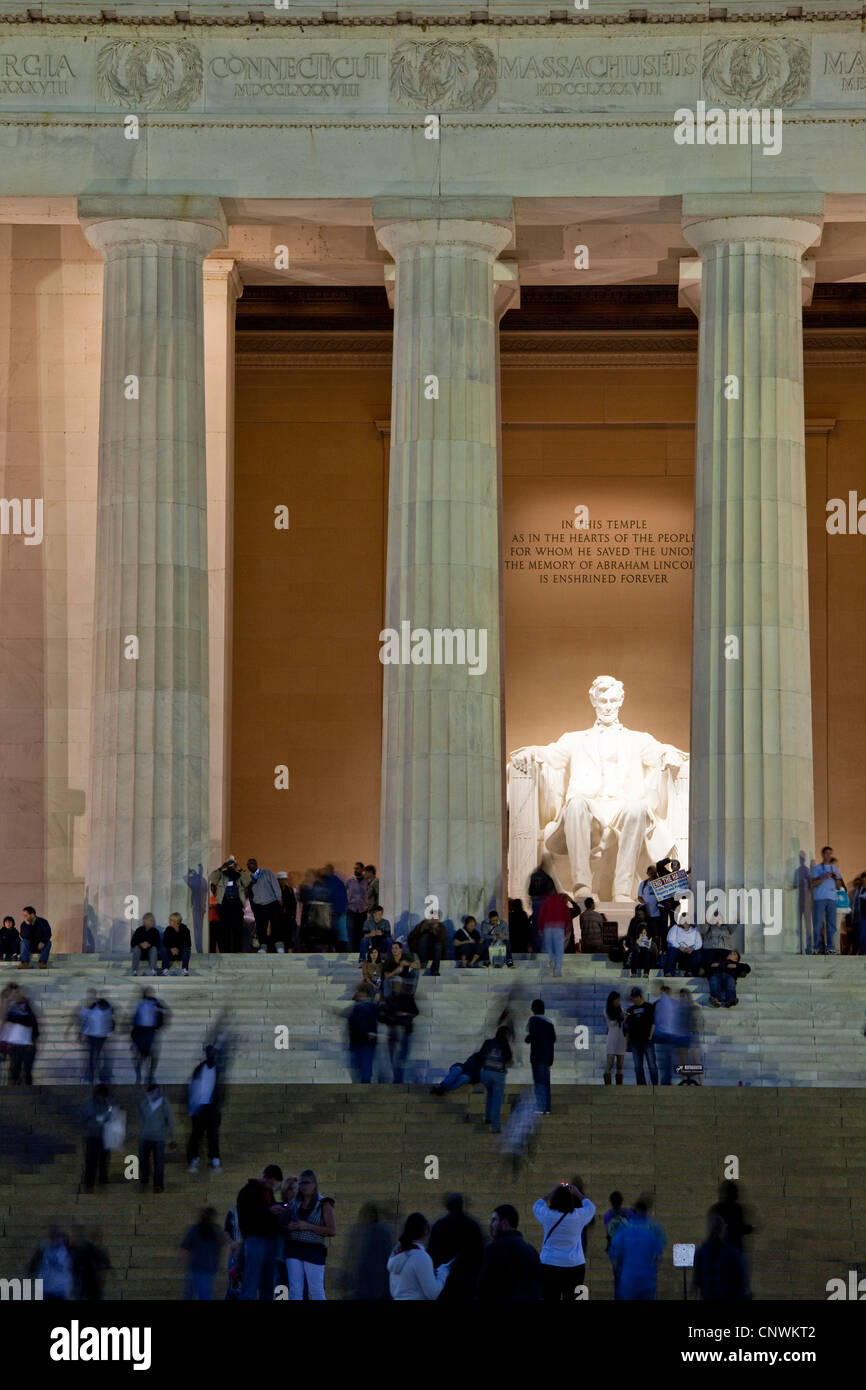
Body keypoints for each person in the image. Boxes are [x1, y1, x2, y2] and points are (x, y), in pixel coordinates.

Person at [508, 676, 687, 902]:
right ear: (594, 701)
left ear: (621, 701)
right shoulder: (573, 739)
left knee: (638, 808)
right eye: (604, 701)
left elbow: (657, 751)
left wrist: (668, 754)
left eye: (613, 700)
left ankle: (622, 890)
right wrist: (530, 753)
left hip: (623, 805)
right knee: (575, 804)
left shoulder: (638, 739)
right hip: (590, 807)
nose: (609, 706)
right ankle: (582, 886)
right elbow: (551, 754)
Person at [532, 1181, 595, 1299]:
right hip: (575, 1265)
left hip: (549, 1265)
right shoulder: (578, 1216)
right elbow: (591, 1207)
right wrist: (577, 1193)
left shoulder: (547, 1215)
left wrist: (551, 1192)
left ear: (554, 1199)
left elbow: (536, 1205)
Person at [282, 1169, 336, 1300]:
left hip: (314, 1250)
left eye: (306, 1183)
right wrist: (290, 1227)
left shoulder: (324, 1203)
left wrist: (308, 1226)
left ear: (314, 1184)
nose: (303, 1186)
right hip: (294, 1248)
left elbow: (332, 1230)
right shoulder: (295, 1203)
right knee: (295, 1290)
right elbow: (285, 1224)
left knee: (316, 1290)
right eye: (301, 1183)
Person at [476, 1204, 542, 1301]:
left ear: (504, 1223)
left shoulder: (494, 1249)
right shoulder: (531, 1250)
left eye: (494, 1220)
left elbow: (484, 1285)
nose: (491, 1224)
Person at [237, 1163, 283, 1300]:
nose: (274, 1186)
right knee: (252, 1281)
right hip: (255, 1240)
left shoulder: (267, 1193)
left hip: (269, 1241)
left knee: (267, 1282)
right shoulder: (248, 1191)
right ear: (268, 1178)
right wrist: (269, 1211)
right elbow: (247, 1215)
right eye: (274, 1182)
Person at [427, 1193, 484, 1300]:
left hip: (445, 1283)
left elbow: (431, 1254)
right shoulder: (472, 1225)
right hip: (468, 1282)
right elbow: (480, 1255)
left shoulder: (439, 1225)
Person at [609, 1198, 666, 1301]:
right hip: (648, 1280)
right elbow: (659, 1256)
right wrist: (654, 1270)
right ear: (646, 1212)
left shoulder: (624, 1227)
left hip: (628, 1279)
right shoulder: (654, 1228)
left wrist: (617, 1271)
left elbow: (614, 1254)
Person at [387, 1212, 452, 1300]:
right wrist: (443, 1273)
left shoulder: (397, 1252)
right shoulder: (420, 1257)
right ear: (425, 1231)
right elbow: (432, 1293)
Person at [693, 1213, 750, 1301]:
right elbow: (741, 1277)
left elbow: (698, 1278)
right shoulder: (732, 1252)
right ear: (722, 1230)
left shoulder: (701, 1251)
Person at [343, 1202, 393, 1301]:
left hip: (368, 1286)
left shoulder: (362, 1231)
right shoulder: (381, 1231)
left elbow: (351, 1257)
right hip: (373, 1286)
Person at [187, 1044, 222, 1172]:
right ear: (206, 1054)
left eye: (213, 1053)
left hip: (211, 1108)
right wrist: (192, 1108)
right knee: (196, 1135)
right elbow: (193, 1087)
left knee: (212, 1135)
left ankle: (215, 1160)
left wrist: (218, 1109)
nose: (211, 1055)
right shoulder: (199, 1069)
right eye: (209, 1053)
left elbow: (221, 1091)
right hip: (199, 1107)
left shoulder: (218, 1070)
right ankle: (194, 1160)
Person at [137, 1083, 177, 1194]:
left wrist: (173, 1137)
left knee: (159, 1162)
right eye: (149, 1093)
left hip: (159, 1138)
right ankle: (145, 1177)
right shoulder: (143, 1104)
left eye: (153, 1092)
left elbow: (171, 1120)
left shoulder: (164, 1103)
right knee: (143, 1159)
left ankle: (158, 1184)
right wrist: (140, 1133)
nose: (151, 1095)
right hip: (145, 1136)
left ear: (158, 1092)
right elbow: (141, 1120)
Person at [181, 1206, 226, 1300]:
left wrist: (184, 1265)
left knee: (191, 1294)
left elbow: (185, 1249)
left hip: (196, 1267)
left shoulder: (195, 1229)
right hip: (209, 1267)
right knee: (204, 1294)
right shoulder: (216, 1230)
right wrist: (221, 1266)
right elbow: (222, 1248)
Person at [209, 857, 251, 954]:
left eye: (233, 864)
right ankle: (226, 951)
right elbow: (212, 878)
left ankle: (237, 950)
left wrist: (239, 869)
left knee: (237, 927)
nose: (231, 866)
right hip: (224, 904)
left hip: (236, 903)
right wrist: (222, 867)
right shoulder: (221, 875)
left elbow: (248, 880)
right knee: (225, 929)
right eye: (230, 864)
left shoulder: (239, 875)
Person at [72, 990, 114, 1086]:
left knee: (92, 1057)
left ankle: (91, 1078)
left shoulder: (93, 1007)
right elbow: (111, 1019)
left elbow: (85, 1020)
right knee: (96, 1056)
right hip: (101, 1036)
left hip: (94, 1036)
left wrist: (80, 1033)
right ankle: (97, 1078)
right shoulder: (107, 1007)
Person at [130, 987, 168, 1085]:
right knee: (142, 1056)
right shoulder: (139, 1004)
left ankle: (150, 1075)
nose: (148, 994)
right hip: (141, 1031)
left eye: (149, 993)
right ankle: (139, 1075)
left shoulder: (155, 1003)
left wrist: (160, 1021)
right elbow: (135, 1018)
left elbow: (164, 1012)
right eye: (146, 993)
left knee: (152, 1055)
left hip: (151, 1031)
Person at [479, 1025, 513, 1134]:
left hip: (485, 1073)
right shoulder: (505, 1044)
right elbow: (508, 1058)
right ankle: (495, 1126)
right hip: (498, 1074)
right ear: (506, 1035)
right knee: (497, 1100)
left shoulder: (488, 1042)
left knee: (490, 1093)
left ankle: (488, 1117)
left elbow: (480, 1055)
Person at [246, 858, 285, 954]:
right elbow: (251, 895)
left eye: (252, 863)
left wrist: (279, 898)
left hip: (272, 903)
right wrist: (254, 908)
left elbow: (275, 885)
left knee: (276, 926)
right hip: (259, 906)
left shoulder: (266, 873)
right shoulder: (250, 879)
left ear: (256, 864)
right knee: (261, 928)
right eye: (248, 865)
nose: (250, 866)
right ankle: (263, 947)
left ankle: (279, 946)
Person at [809, 846, 844, 954]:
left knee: (831, 924)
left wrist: (836, 878)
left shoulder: (835, 869)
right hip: (819, 899)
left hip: (832, 899)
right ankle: (816, 947)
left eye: (830, 853)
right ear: (822, 854)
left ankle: (830, 947)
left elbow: (838, 887)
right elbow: (812, 884)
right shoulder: (816, 869)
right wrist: (824, 878)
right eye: (826, 853)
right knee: (818, 923)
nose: (828, 856)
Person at [383, 980, 418, 1084]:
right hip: (393, 1030)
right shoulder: (389, 999)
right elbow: (384, 1015)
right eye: (394, 985)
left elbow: (415, 1012)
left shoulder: (408, 998)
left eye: (398, 985)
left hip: (404, 1030)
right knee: (394, 1058)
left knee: (401, 1057)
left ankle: (398, 1079)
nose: (396, 987)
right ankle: (397, 1078)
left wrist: (404, 1014)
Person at [525, 999, 556, 1113]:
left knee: (538, 1083)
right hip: (546, 1057)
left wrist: (528, 1039)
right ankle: (547, 1108)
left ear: (533, 1009)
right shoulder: (549, 1023)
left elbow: (532, 1035)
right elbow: (552, 1040)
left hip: (537, 1056)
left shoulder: (533, 1020)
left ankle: (540, 1106)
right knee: (546, 1084)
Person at [81, 1084, 113, 1192]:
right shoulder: (89, 1103)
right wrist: (101, 1118)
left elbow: (109, 1114)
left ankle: (103, 1178)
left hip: (104, 1134)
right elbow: (89, 1116)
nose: (102, 1098)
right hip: (92, 1135)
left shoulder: (106, 1102)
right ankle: (89, 1181)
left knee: (104, 1158)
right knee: (91, 1159)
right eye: (101, 1096)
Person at [709, 1180, 755, 1255]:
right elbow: (737, 1228)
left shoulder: (715, 1209)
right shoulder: (736, 1209)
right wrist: (749, 1228)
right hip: (733, 1250)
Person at [28, 1227, 74, 1300]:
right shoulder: (43, 1249)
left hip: (59, 1289)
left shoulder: (67, 1249)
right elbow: (33, 1265)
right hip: (50, 1288)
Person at [624, 987, 657, 1086]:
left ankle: (655, 1085)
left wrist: (650, 1036)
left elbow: (653, 1023)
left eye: (635, 997)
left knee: (652, 1065)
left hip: (647, 1040)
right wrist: (627, 1043)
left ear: (640, 996)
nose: (634, 999)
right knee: (638, 1066)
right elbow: (627, 1027)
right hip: (635, 1041)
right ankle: (641, 1085)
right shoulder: (631, 1009)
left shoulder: (649, 1007)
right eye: (633, 997)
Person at [5, 985, 38, 1084]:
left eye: (17, 993)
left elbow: (30, 1022)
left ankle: (28, 1094)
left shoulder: (27, 1007)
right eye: (14, 994)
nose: (16, 996)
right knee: (14, 1071)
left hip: (28, 1045)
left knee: (27, 1072)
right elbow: (8, 1018)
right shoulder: (11, 1008)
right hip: (15, 1045)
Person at [604, 1191, 634, 1298]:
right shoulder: (629, 1213)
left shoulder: (608, 1214)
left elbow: (608, 1231)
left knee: (617, 1276)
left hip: (614, 1249)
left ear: (611, 1202)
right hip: (627, 1248)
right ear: (622, 1201)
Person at [536, 889, 572, 977]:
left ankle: (550, 962)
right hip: (559, 927)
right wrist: (567, 926)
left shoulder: (546, 901)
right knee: (559, 949)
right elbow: (567, 914)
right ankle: (557, 970)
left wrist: (540, 928)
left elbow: (541, 915)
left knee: (549, 947)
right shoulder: (561, 901)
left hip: (548, 926)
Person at [346, 984, 378, 1084]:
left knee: (365, 1068)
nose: (358, 994)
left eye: (360, 992)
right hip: (357, 1042)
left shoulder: (369, 1006)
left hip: (365, 1042)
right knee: (358, 1067)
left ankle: (365, 1086)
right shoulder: (358, 1006)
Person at [652, 983, 682, 1086]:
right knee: (667, 1060)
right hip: (668, 1035)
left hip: (662, 1035)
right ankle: (666, 1080)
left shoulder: (658, 1003)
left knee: (665, 1060)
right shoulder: (673, 1003)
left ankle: (666, 1080)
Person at [71, 1227, 111, 1301]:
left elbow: (104, 1269)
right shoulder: (86, 1248)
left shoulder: (101, 1250)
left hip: (93, 1286)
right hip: (84, 1285)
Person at [323, 863, 349, 952]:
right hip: (341, 911)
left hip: (332, 911)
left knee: (331, 932)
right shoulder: (340, 882)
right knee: (341, 933)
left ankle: (331, 950)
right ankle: (340, 951)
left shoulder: (328, 882)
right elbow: (344, 898)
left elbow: (327, 897)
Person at [604, 991, 627, 1085]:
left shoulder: (621, 1009)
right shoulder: (606, 1010)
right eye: (616, 1000)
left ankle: (619, 1087)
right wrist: (620, 1017)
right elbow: (611, 1023)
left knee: (620, 1064)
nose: (618, 1001)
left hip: (621, 1037)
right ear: (612, 1000)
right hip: (612, 1037)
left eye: (619, 999)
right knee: (610, 1062)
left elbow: (623, 1021)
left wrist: (624, 1017)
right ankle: (608, 1085)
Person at [346, 862, 369, 954]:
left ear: (362, 870)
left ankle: (360, 954)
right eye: (354, 868)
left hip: (362, 911)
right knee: (351, 934)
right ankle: (352, 955)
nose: (355, 870)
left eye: (358, 868)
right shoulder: (349, 880)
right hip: (352, 910)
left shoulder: (367, 881)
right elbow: (343, 893)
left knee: (361, 933)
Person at [18, 906, 51, 970]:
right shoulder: (24, 924)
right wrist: (28, 926)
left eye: (26, 915)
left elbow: (48, 933)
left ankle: (43, 962)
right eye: (24, 915)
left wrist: (43, 941)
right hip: (30, 946)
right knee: (24, 942)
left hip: (40, 945)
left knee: (48, 942)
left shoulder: (43, 922)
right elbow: (23, 936)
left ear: (32, 914)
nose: (24, 917)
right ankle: (25, 963)